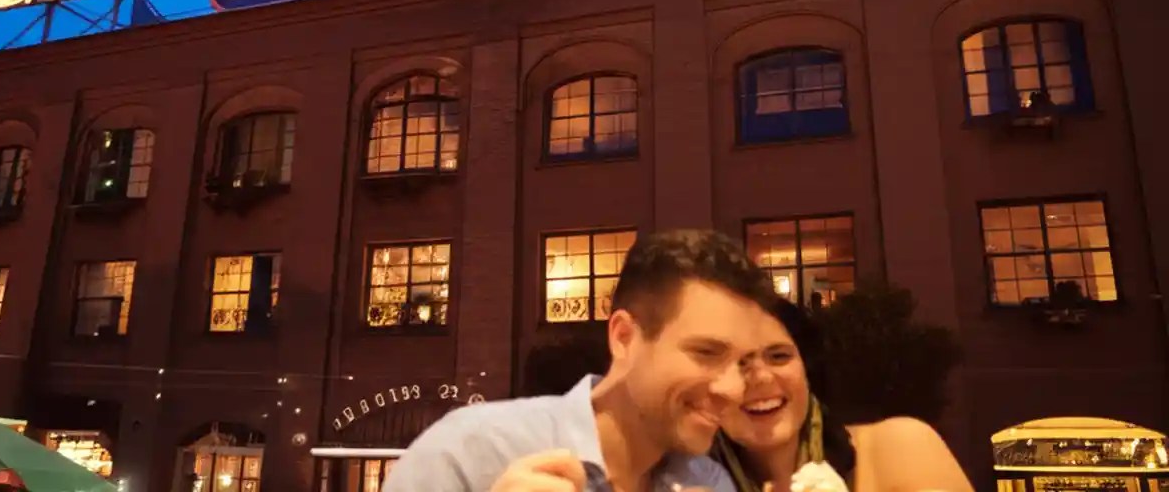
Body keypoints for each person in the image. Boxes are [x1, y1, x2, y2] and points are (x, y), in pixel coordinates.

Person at [382, 229, 783, 492]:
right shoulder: (469, 452)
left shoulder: (709, 481)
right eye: (706, 353)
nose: (733, 389)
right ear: (624, 338)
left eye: (742, 364)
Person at [711, 299, 974, 492]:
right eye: (738, 363)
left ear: (807, 369)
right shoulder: (694, 481)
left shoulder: (896, 447)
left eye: (778, 356)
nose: (761, 377)